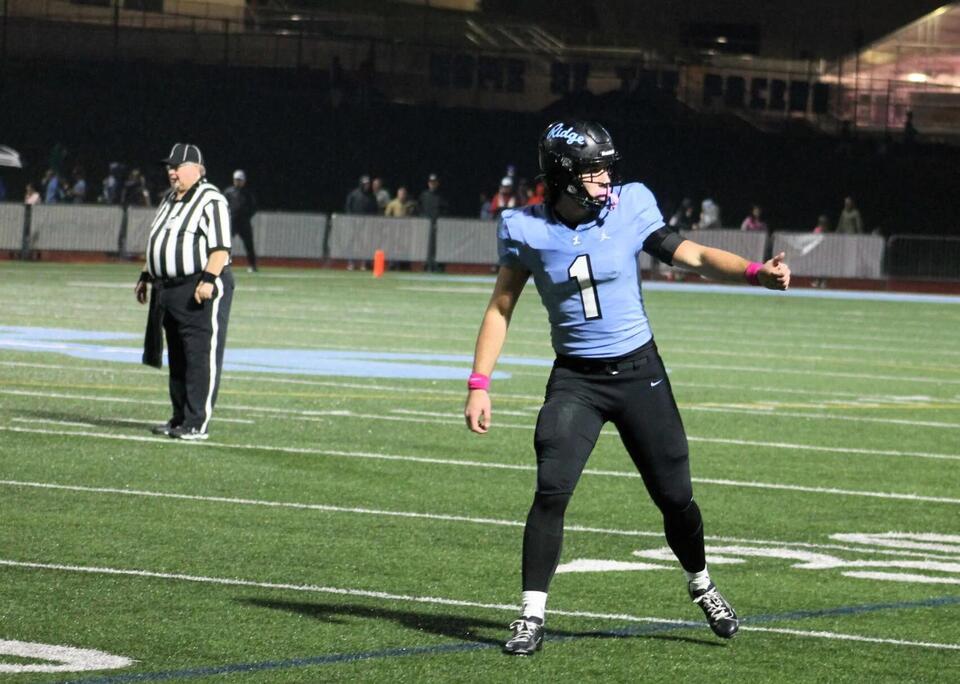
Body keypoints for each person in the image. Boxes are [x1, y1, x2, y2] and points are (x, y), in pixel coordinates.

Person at [463, 120, 791, 656]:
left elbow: (694, 255)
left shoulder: (631, 205)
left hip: (641, 373)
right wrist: (480, 383)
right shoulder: (523, 228)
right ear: (564, 178)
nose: (605, 181)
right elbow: (501, 307)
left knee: (676, 498)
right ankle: (530, 614)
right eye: (593, 171)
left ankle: (702, 583)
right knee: (551, 488)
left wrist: (754, 271)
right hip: (577, 379)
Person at [134, 143, 234, 441]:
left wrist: (208, 280)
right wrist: (145, 275)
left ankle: (196, 422)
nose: (171, 172)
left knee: (199, 355)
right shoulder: (169, 199)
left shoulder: (211, 199)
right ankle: (180, 417)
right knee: (177, 355)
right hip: (168, 288)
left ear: (197, 169)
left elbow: (221, 247)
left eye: (177, 166)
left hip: (197, 285)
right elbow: (159, 241)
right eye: (169, 167)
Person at [224, 169, 259, 272]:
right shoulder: (228, 192)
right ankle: (222, 264)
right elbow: (223, 204)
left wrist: (247, 216)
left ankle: (252, 266)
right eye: (236, 180)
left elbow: (254, 207)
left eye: (240, 180)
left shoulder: (248, 193)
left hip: (244, 223)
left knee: (249, 244)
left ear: (244, 181)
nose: (238, 182)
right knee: (225, 244)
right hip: (232, 222)